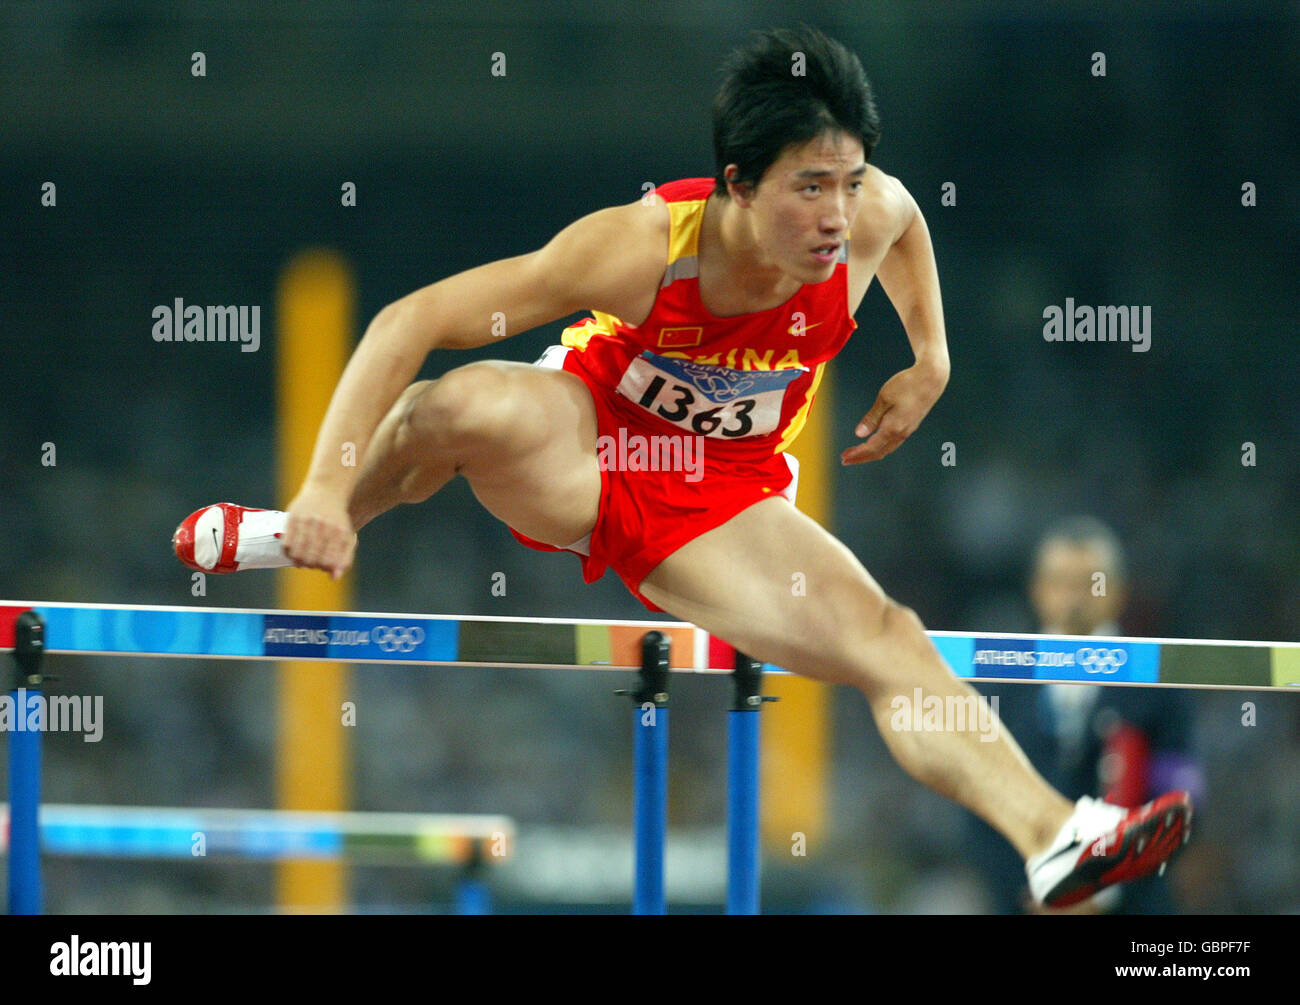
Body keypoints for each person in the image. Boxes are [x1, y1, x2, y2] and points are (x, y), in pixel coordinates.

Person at [172, 26, 1189, 908]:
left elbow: (909, 223)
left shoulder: (868, 216)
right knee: (454, 409)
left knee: (890, 638)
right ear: (738, 185)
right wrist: (319, 489)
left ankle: (1054, 835)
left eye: (847, 183)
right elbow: (411, 318)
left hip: (724, 499)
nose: (836, 217)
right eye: (808, 189)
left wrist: (932, 359)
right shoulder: (641, 248)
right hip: (593, 441)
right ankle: (302, 527)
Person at [968, 517, 1201, 913]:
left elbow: (1182, 803)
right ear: (1037, 589)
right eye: (1060, 581)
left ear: (1120, 590)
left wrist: (1105, 893)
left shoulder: (1159, 686)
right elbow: (976, 811)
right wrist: (1040, 892)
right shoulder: (999, 686)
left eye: (1091, 582)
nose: (1075, 596)